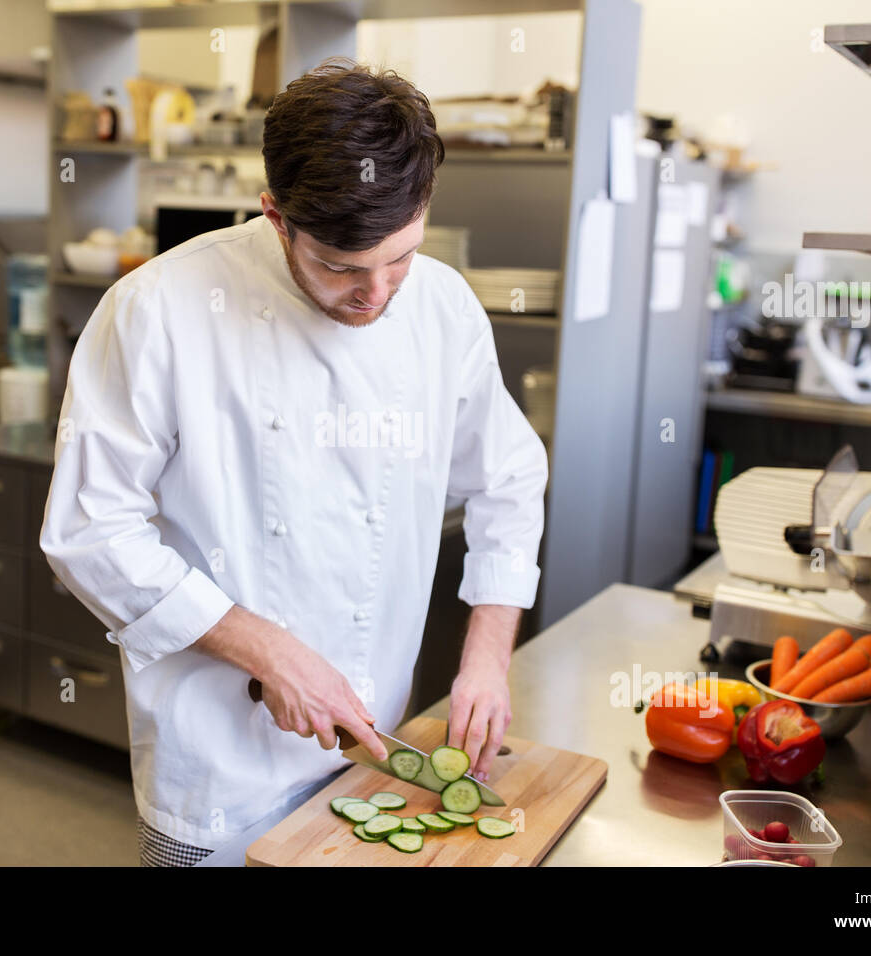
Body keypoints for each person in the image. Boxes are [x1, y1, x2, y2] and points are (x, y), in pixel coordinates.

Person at [40, 59, 548, 867]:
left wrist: (485, 658)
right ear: (276, 216)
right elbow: (90, 532)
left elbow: (508, 477)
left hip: (376, 750)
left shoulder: (445, 307)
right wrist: (266, 649)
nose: (376, 293)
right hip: (216, 771)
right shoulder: (159, 309)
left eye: (401, 257)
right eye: (342, 266)